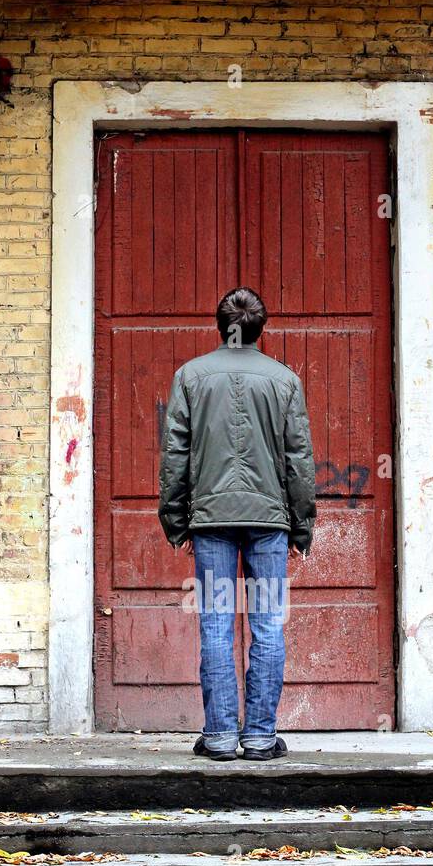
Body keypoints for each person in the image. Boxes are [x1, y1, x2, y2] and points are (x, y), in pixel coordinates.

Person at [158, 287, 316, 761]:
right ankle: (261, 738)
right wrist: (301, 526)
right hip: (270, 522)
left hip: (212, 522)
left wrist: (176, 520)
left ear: (219, 325)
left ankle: (221, 737)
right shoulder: (284, 380)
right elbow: (299, 460)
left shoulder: (190, 377)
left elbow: (175, 456)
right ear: (260, 328)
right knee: (268, 625)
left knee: (215, 624)